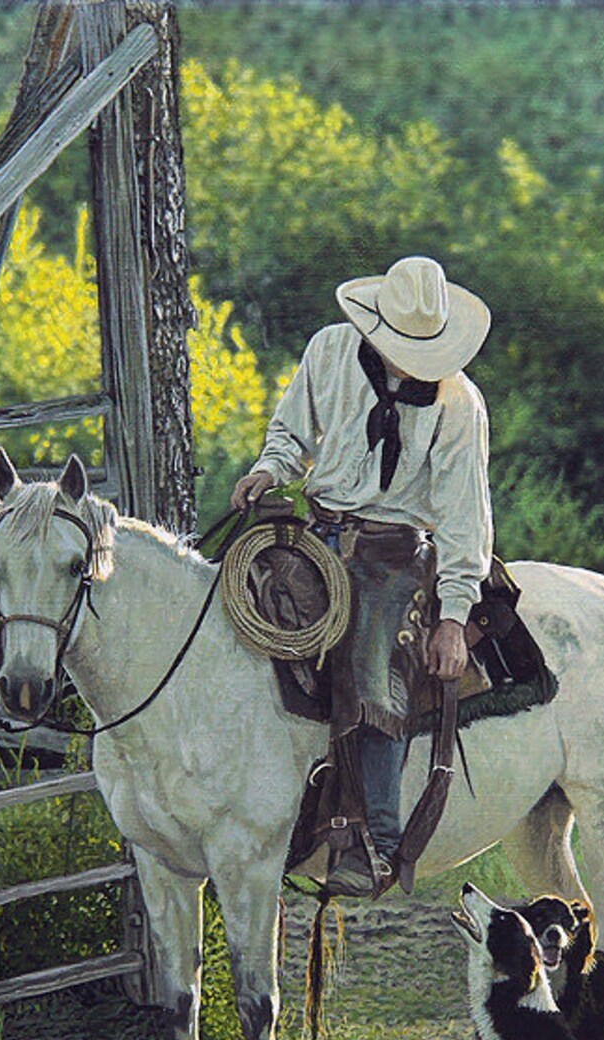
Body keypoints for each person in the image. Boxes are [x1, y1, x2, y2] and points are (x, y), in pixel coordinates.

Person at [231, 255, 493, 896]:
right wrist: (270, 468)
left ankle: (373, 838)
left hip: (392, 553)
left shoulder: (459, 405)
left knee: (371, 666)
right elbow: (292, 431)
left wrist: (454, 615)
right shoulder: (329, 351)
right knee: (228, 613)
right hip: (314, 531)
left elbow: (464, 517)